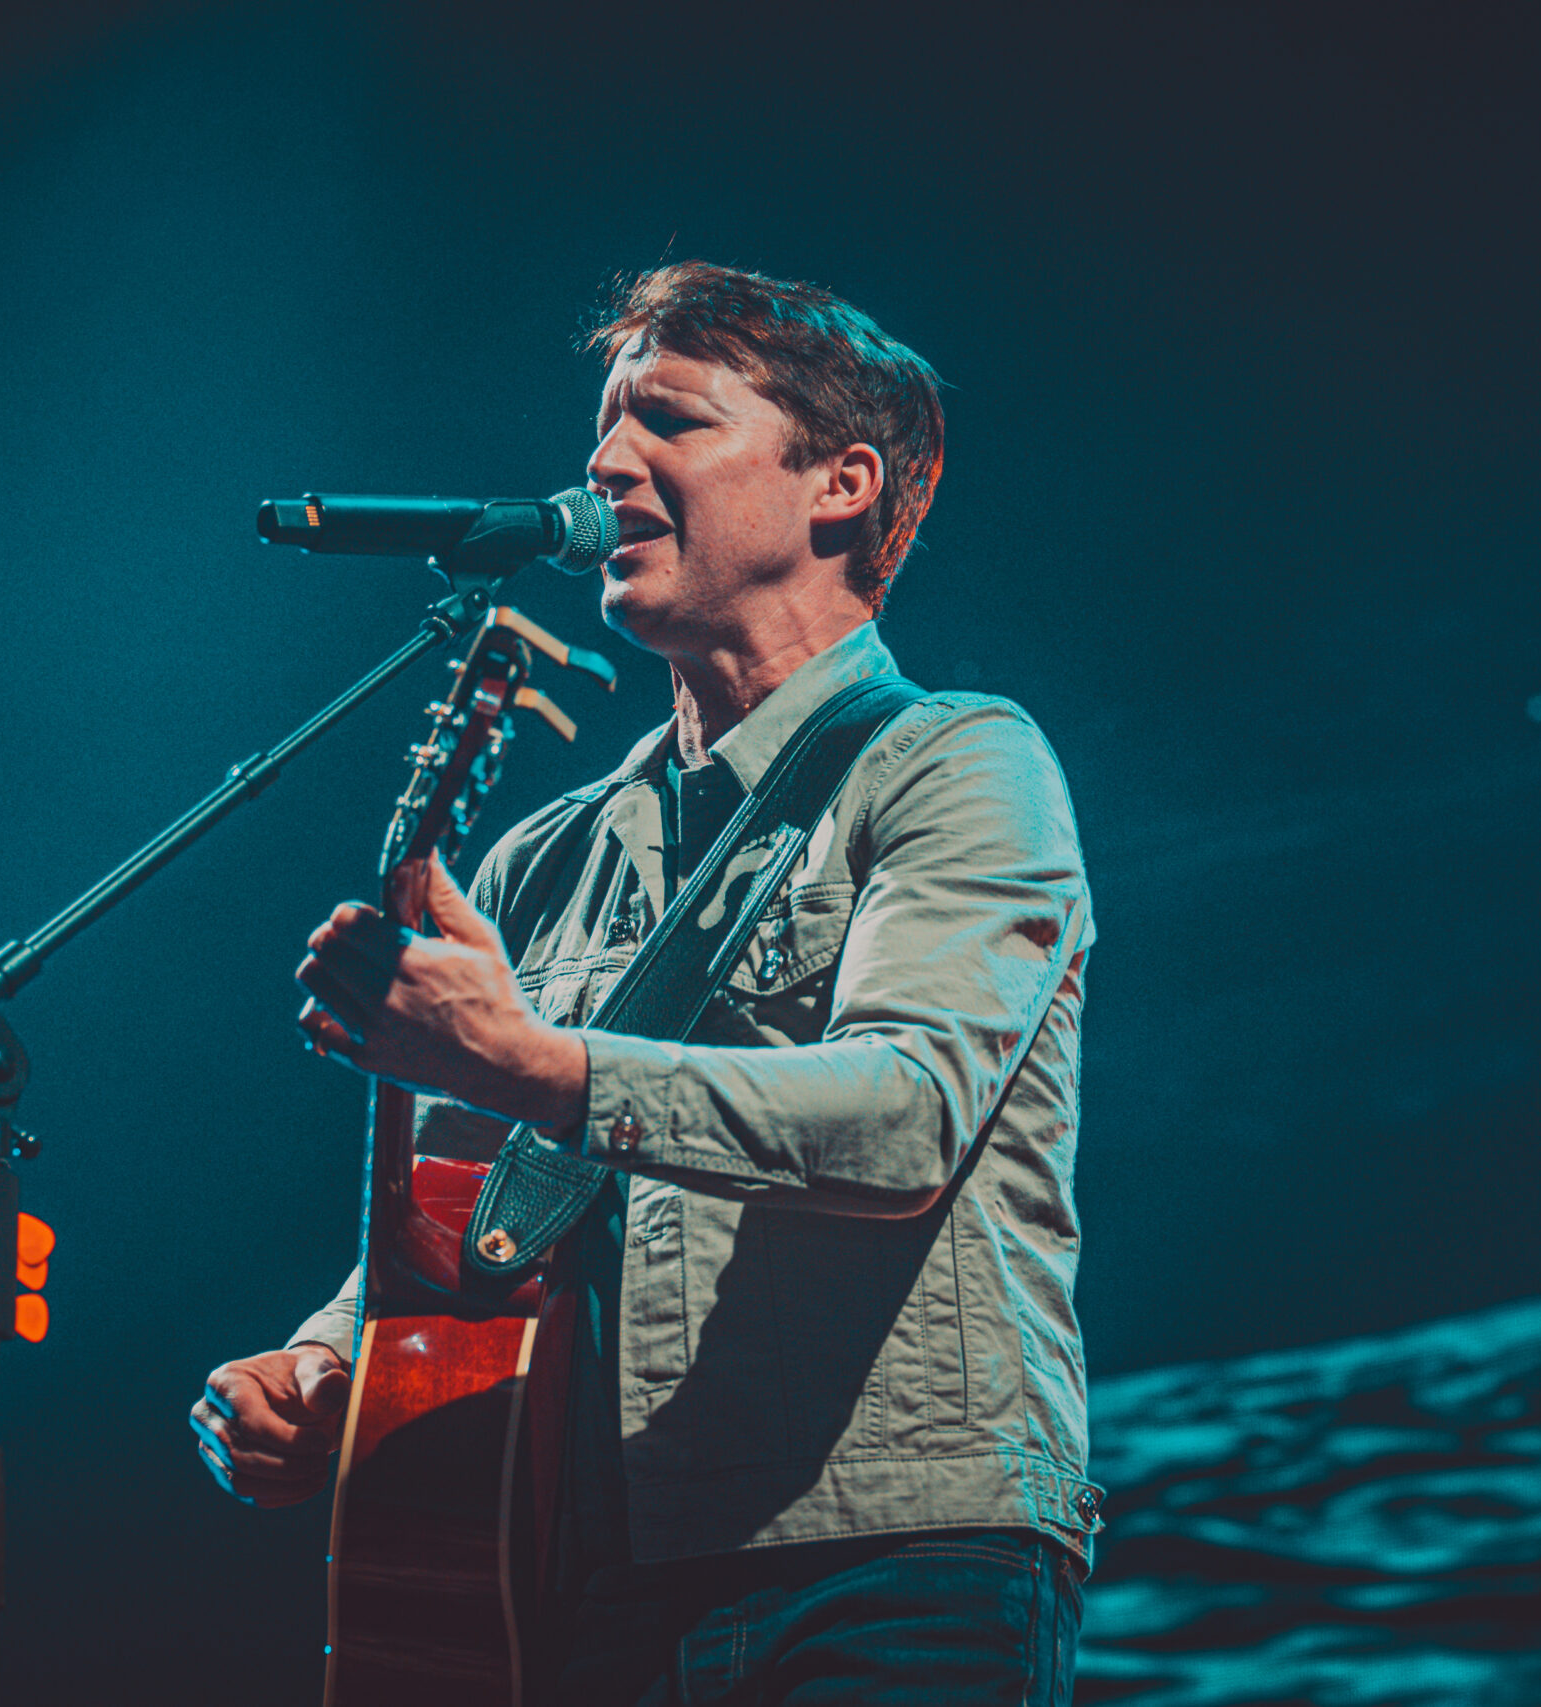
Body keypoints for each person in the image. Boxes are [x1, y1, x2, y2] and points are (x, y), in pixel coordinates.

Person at [190, 261, 1101, 1704]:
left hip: (888, 1559)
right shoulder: (549, 855)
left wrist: (528, 1065)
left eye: (670, 421)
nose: (608, 462)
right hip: (585, 1586)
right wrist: (318, 1370)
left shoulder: (956, 761)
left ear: (841, 485)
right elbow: (462, 1206)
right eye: (607, 428)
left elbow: (909, 1114)